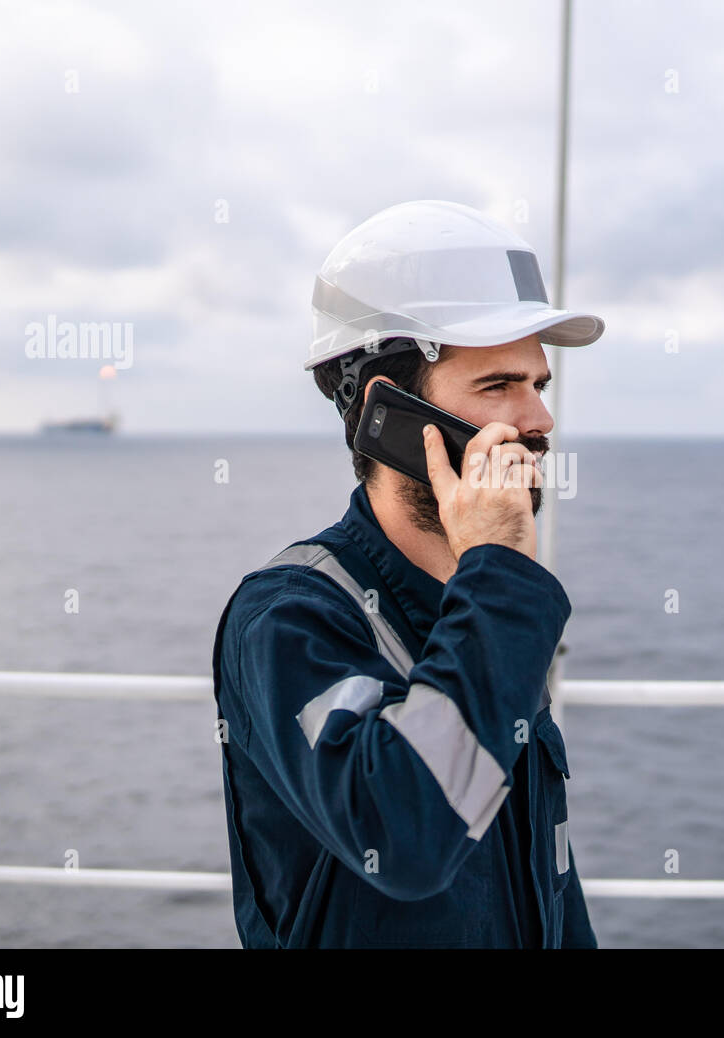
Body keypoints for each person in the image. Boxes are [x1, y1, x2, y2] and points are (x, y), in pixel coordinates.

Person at [212, 200, 605, 947]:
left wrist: (493, 584)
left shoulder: (487, 609)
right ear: (386, 413)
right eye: (497, 386)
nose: (539, 420)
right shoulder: (289, 620)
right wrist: (498, 576)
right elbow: (404, 835)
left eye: (538, 385)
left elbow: (550, 893)